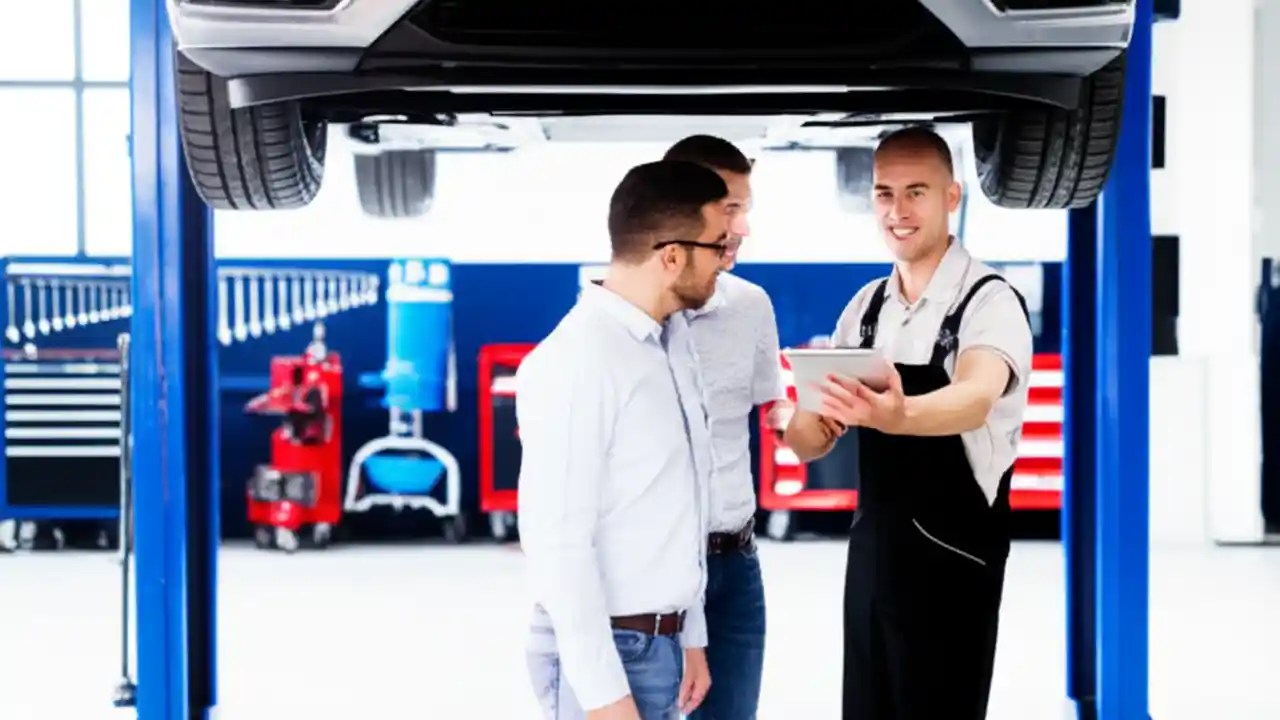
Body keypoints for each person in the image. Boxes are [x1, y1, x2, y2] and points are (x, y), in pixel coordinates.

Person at [782, 126, 1033, 720]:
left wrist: (900, 413)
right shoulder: (865, 308)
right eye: (884, 193)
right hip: (873, 558)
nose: (897, 211)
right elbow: (812, 441)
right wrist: (785, 417)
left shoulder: (987, 300)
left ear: (953, 196)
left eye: (916, 192)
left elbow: (974, 395)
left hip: (954, 561)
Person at [517, 159, 732, 720]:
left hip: (659, 644)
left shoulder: (669, 342)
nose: (725, 263)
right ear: (672, 255)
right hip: (610, 656)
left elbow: (680, 506)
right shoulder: (577, 360)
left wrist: (690, 636)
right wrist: (605, 697)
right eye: (717, 247)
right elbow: (558, 545)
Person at [662, 134, 789, 720]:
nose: (742, 228)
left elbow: (775, 411)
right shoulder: (628, 320)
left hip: (736, 567)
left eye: (746, 209)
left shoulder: (751, 305)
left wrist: (820, 413)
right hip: (655, 572)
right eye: (730, 209)